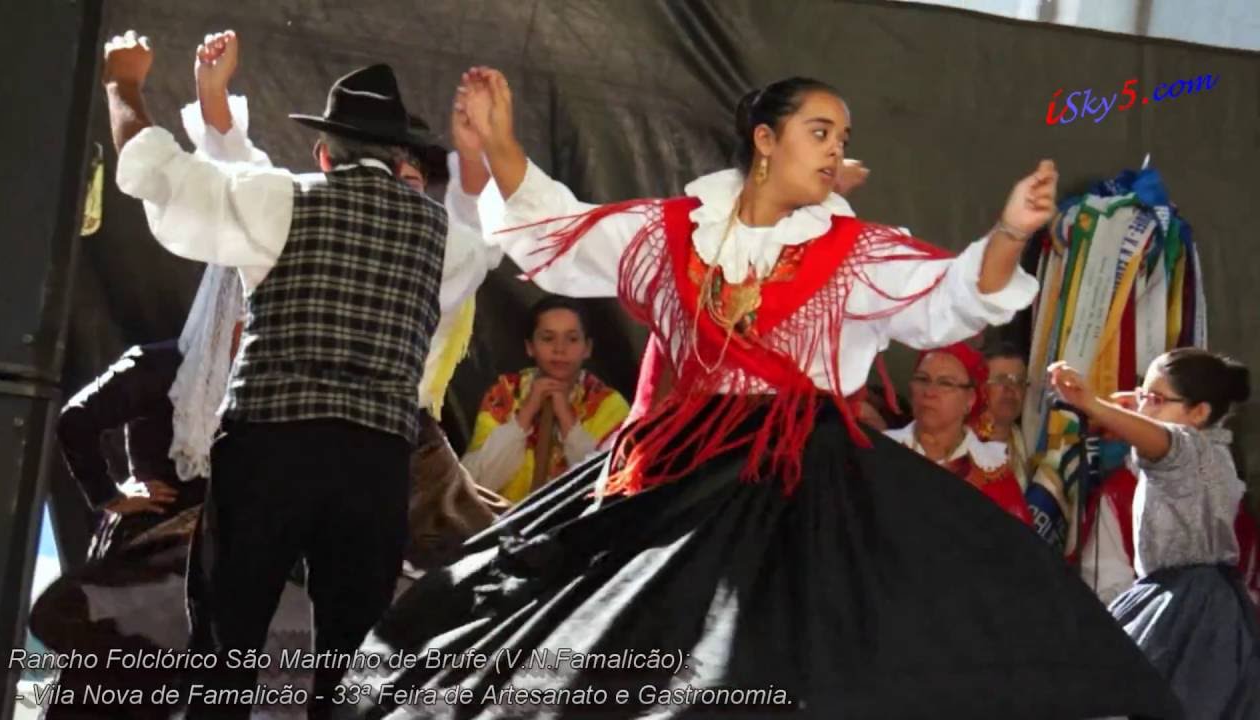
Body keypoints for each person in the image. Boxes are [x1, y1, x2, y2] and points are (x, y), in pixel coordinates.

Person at [341, 69, 1180, 719]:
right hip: (678, 475)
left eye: (841, 136)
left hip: (799, 479)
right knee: (622, 638)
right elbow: (561, 234)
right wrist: (502, 143)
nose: (834, 148)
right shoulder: (675, 233)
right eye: (819, 130)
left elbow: (947, 294)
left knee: (796, 656)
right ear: (765, 139)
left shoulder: (850, 253)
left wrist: (1006, 235)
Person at [102, 28, 486, 718]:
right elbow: (247, 187)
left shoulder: (283, 200)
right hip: (374, 463)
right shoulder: (452, 241)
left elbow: (163, 176)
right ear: (403, 159)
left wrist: (122, 85)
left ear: (322, 153)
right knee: (351, 670)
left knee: (228, 654)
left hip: (270, 449)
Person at [29, 259, 240, 718]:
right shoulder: (164, 364)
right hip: (151, 552)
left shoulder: (269, 386)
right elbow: (76, 421)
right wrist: (111, 495)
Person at [1051, 348, 1259, 718]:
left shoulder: (1190, 448)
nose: (1144, 406)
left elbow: (1167, 440)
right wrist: (1143, 404)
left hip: (1189, 606)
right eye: (1144, 393)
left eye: (1157, 399)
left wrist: (1091, 403)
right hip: (1191, 598)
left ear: (1199, 412)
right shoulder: (1212, 448)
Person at [461, 295, 630, 504]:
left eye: (572, 339)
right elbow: (477, 484)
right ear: (530, 346)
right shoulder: (503, 394)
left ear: (587, 348)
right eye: (548, 338)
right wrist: (526, 414)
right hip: (502, 522)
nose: (560, 349)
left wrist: (567, 420)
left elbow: (610, 487)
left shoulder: (608, 404)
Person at [885, 343, 1033, 524]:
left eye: (945, 383)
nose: (929, 392)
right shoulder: (881, 450)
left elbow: (1017, 546)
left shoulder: (993, 471)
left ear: (970, 399)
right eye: (922, 379)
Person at [977, 340, 1033, 488]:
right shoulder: (961, 442)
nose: (1011, 388)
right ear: (979, 387)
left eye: (1018, 381)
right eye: (1001, 380)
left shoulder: (1027, 440)